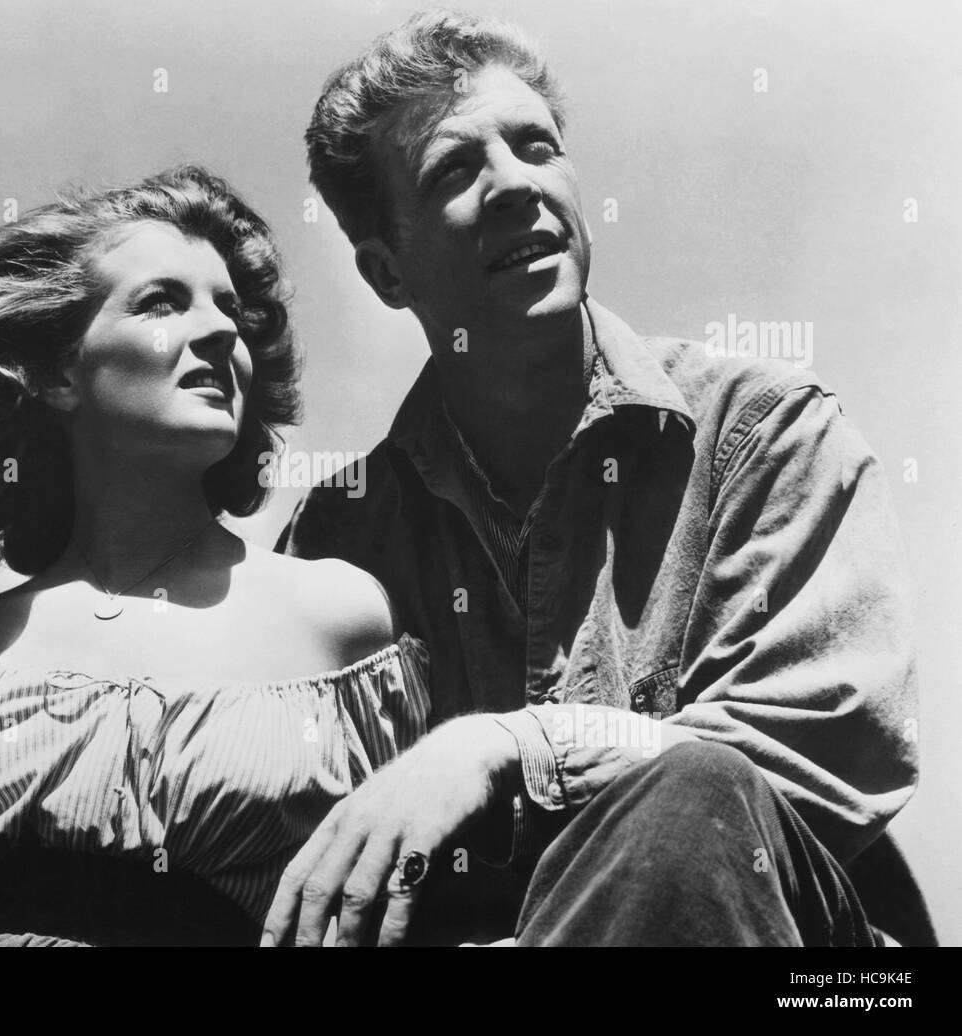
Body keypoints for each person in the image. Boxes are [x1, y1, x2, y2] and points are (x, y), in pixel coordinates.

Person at [267, 9, 919, 947]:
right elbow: (320, 858)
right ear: (385, 272)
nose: (516, 185)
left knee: (695, 792)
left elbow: (819, 758)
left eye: (536, 145)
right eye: (456, 169)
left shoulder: (764, 433)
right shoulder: (340, 539)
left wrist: (504, 745)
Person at [0, 165, 430, 945]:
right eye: (164, 302)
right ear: (58, 374)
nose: (223, 330)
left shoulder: (338, 617)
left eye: (230, 309)